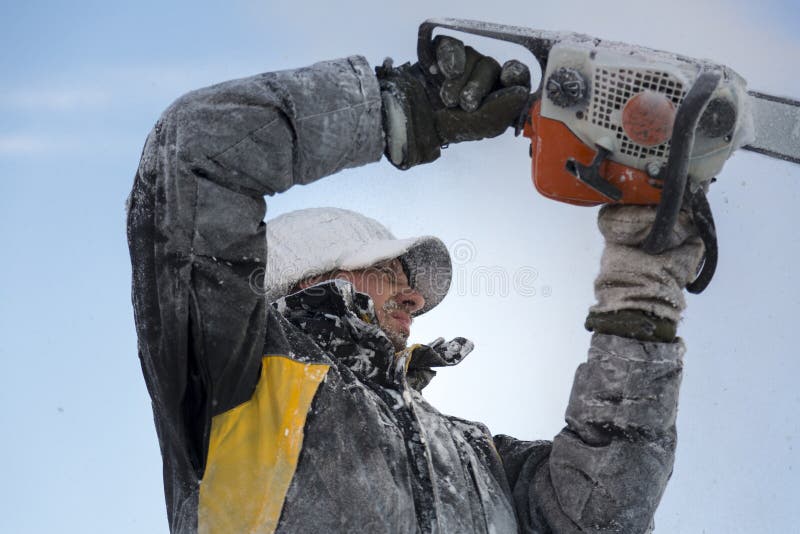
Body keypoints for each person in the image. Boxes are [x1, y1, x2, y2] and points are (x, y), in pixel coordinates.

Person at [127, 35, 703, 534]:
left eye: (414, 292)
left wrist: (641, 288)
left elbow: (599, 518)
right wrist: (401, 110)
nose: (415, 301)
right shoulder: (233, 376)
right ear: (304, 273)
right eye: (387, 273)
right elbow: (195, 155)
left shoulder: (474, 454)